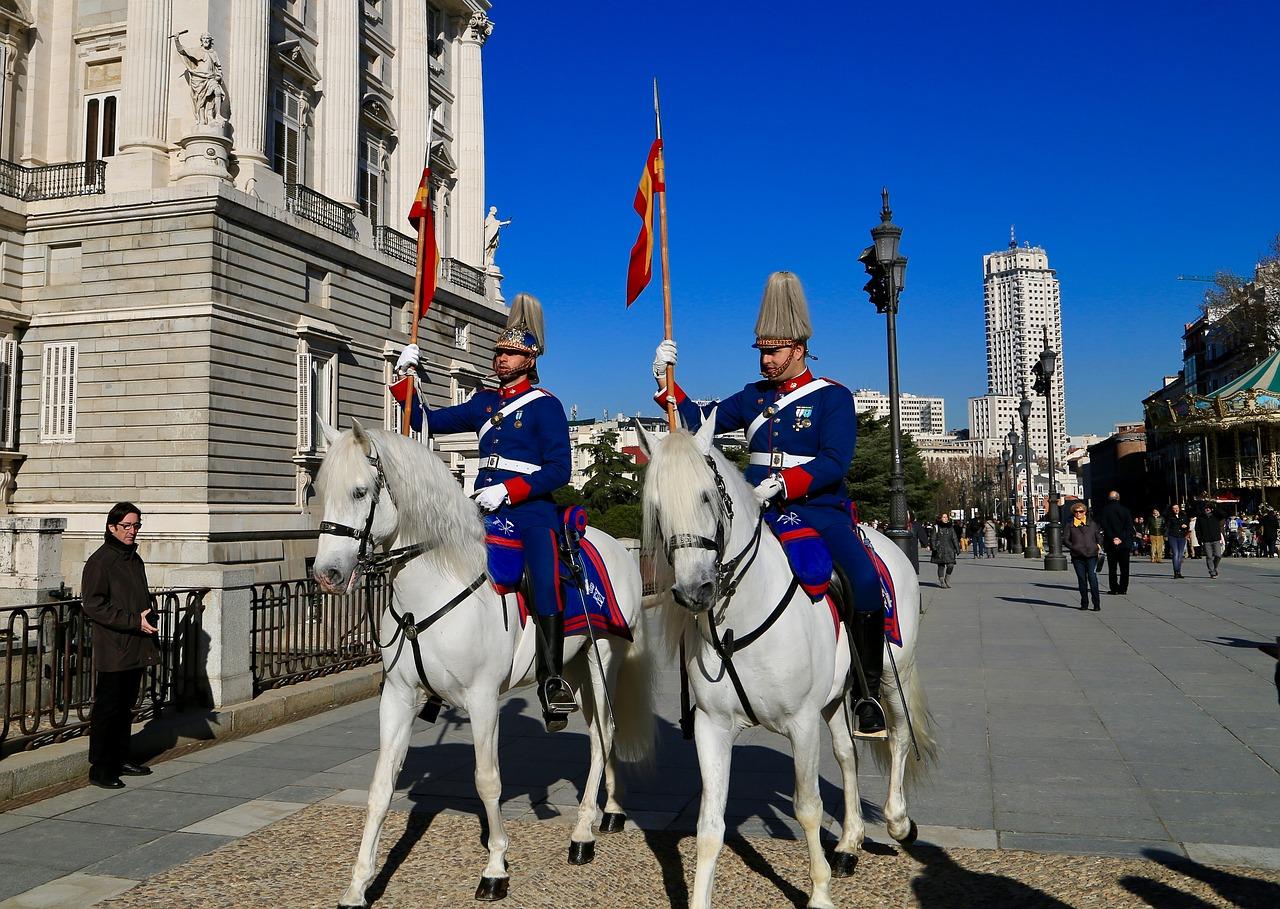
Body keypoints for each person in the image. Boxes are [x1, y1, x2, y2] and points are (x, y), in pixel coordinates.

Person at [650, 271, 887, 735]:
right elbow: (700, 423)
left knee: (862, 578)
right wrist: (666, 381)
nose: (766, 360)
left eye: (773, 351)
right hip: (755, 507)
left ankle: (867, 693)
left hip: (817, 508)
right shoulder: (752, 396)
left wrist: (785, 482)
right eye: (761, 351)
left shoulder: (832, 398)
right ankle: (703, 691)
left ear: (798, 349)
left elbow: (836, 462)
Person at [395, 294, 576, 731]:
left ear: (530, 360)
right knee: (438, 563)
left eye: (510, 353)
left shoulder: (545, 405)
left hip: (530, 509)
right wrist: (405, 379)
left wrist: (511, 492)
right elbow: (425, 421)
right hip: (479, 505)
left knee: (542, 571)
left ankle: (552, 679)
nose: (500, 359)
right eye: (498, 352)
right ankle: (438, 676)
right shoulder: (484, 403)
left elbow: (560, 470)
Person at [81, 503, 158, 789]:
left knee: (126, 706)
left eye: (136, 525)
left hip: (135, 643)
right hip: (114, 646)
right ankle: (100, 768)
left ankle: (121, 757)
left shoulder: (133, 559)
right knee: (108, 708)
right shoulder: (101, 562)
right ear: (112, 527)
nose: (132, 530)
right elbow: (93, 604)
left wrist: (148, 617)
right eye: (127, 525)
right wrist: (132, 621)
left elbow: (138, 596)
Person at [1065, 502, 1104, 611]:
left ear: (1085, 512)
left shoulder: (1092, 524)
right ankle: (1084, 603)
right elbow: (1065, 540)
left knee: (1092, 578)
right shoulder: (1070, 525)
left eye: (1081, 511)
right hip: (1078, 556)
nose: (1078, 514)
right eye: (1076, 512)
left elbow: (1099, 537)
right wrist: (1073, 547)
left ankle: (1096, 603)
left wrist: (1098, 545)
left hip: (1091, 555)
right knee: (1082, 580)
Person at [1098, 490, 1133, 595]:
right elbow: (1129, 527)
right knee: (1124, 567)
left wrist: (1113, 537)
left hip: (1110, 543)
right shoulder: (1126, 510)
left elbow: (1104, 526)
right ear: (1118, 498)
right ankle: (1123, 588)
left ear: (1109, 499)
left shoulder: (1104, 510)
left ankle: (1114, 588)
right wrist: (1121, 538)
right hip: (1124, 543)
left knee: (1112, 568)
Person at [1196, 502, 1225, 579]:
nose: (1207, 509)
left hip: (1216, 538)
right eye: (1206, 508)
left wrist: (1214, 508)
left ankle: (1214, 567)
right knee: (1209, 556)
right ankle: (1212, 571)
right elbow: (1197, 530)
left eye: (1209, 508)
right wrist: (1199, 539)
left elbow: (1223, 514)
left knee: (1218, 555)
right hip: (1206, 540)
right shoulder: (1200, 518)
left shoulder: (1216, 516)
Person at [931, 512, 959, 587]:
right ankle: (942, 581)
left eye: (946, 517)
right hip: (939, 549)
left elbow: (954, 538)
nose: (945, 518)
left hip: (949, 549)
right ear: (940, 518)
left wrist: (957, 548)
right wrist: (934, 547)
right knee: (941, 566)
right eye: (944, 517)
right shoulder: (936, 527)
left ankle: (947, 578)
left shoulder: (950, 527)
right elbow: (933, 538)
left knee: (951, 565)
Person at [1166, 503, 1190, 579]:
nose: (1176, 509)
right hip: (1173, 536)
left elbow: (1187, 525)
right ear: (1172, 509)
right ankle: (1176, 571)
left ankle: (1179, 571)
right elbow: (1167, 527)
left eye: (1177, 508)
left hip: (1182, 536)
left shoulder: (1184, 515)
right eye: (1174, 508)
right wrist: (1165, 535)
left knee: (1180, 554)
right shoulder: (1170, 517)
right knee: (1175, 553)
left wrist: (1186, 527)